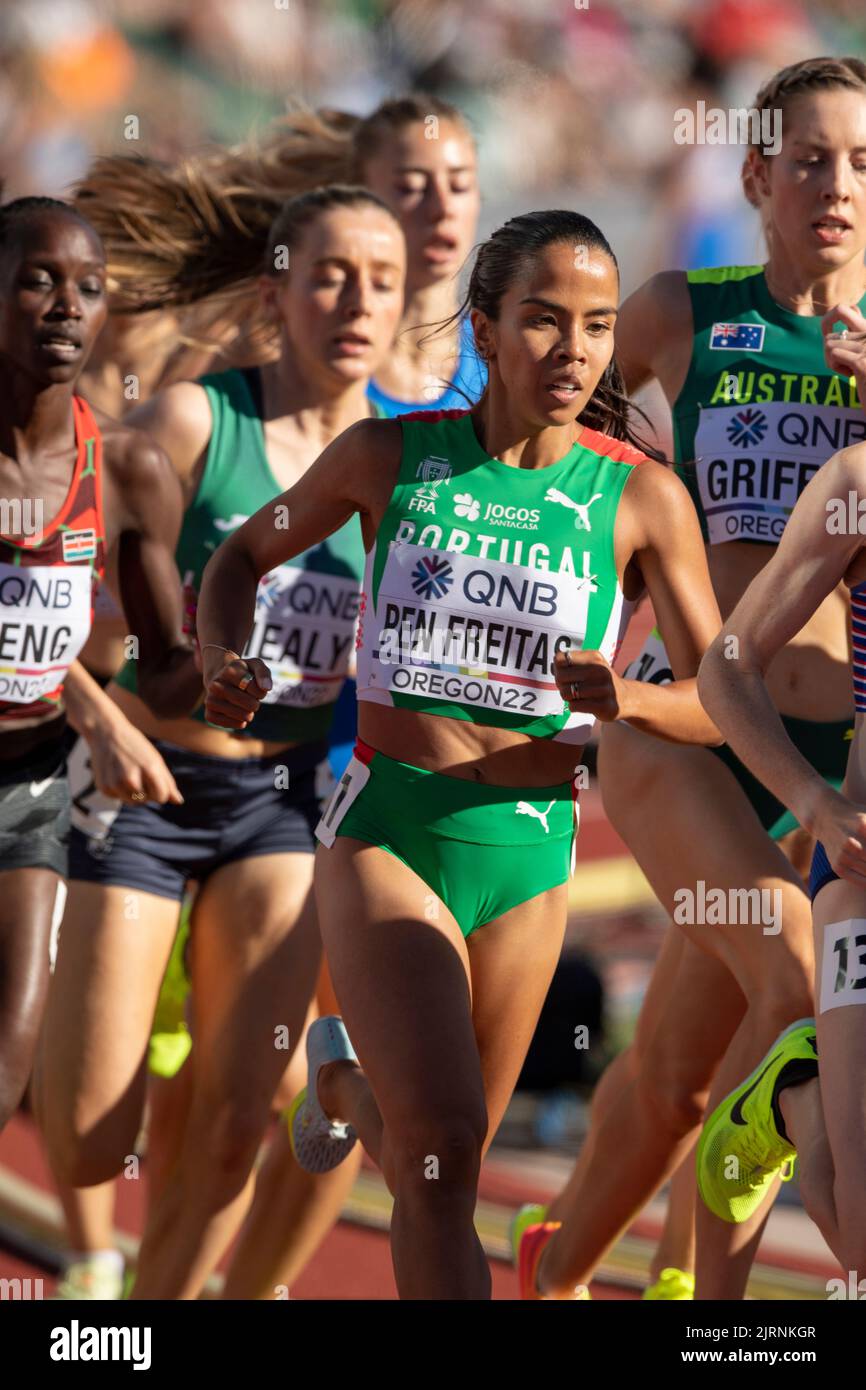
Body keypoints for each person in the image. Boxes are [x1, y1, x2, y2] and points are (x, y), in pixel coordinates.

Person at [197, 207, 724, 1299]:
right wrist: (218, 654)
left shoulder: (639, 499)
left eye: (590, 326)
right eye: (540, 321)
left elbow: (722, 699)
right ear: (483, 328)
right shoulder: (390, 455)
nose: (570, 351)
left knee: (446, 1157)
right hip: (392, 824)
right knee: (436, 1162)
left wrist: (626, 697)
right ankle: (351, 1087)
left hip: (531, 847)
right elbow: (243, 556)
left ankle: (340, 1084)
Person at [512, 55, 866, 1300]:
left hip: (833, 754)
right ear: (755, 173)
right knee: (794, 985)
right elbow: (550, 446)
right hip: (683, 723)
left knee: (671, 1078)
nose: (834, 185)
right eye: (808, 159)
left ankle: (552, 1266)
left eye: (861, 163)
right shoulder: (676, 311)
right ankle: (703, 1310)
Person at [37, 185, 406, 1301]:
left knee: (245, 1106)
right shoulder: (198, 422)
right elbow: (52, 580)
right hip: (144, 786)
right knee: (97, 1137)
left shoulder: (409, 461)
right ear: (275, 292)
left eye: (381, 282)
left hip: (284, 799)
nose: (355, 301)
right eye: (330, 275)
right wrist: (99, 687)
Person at [0, 195, 197, 1137]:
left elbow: (166, 669)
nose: (67, 307)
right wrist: (97, 712)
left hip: (29, 790)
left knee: (11, 1065)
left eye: (89, 289)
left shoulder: (127, 469)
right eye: (39, 281)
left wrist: (231, 674)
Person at [695, 313, 866, 1281]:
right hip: (856, 866)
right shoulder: (850, 489)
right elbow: (727, 666)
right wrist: (808, 800)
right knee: (854, 1225)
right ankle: (787, 1094)